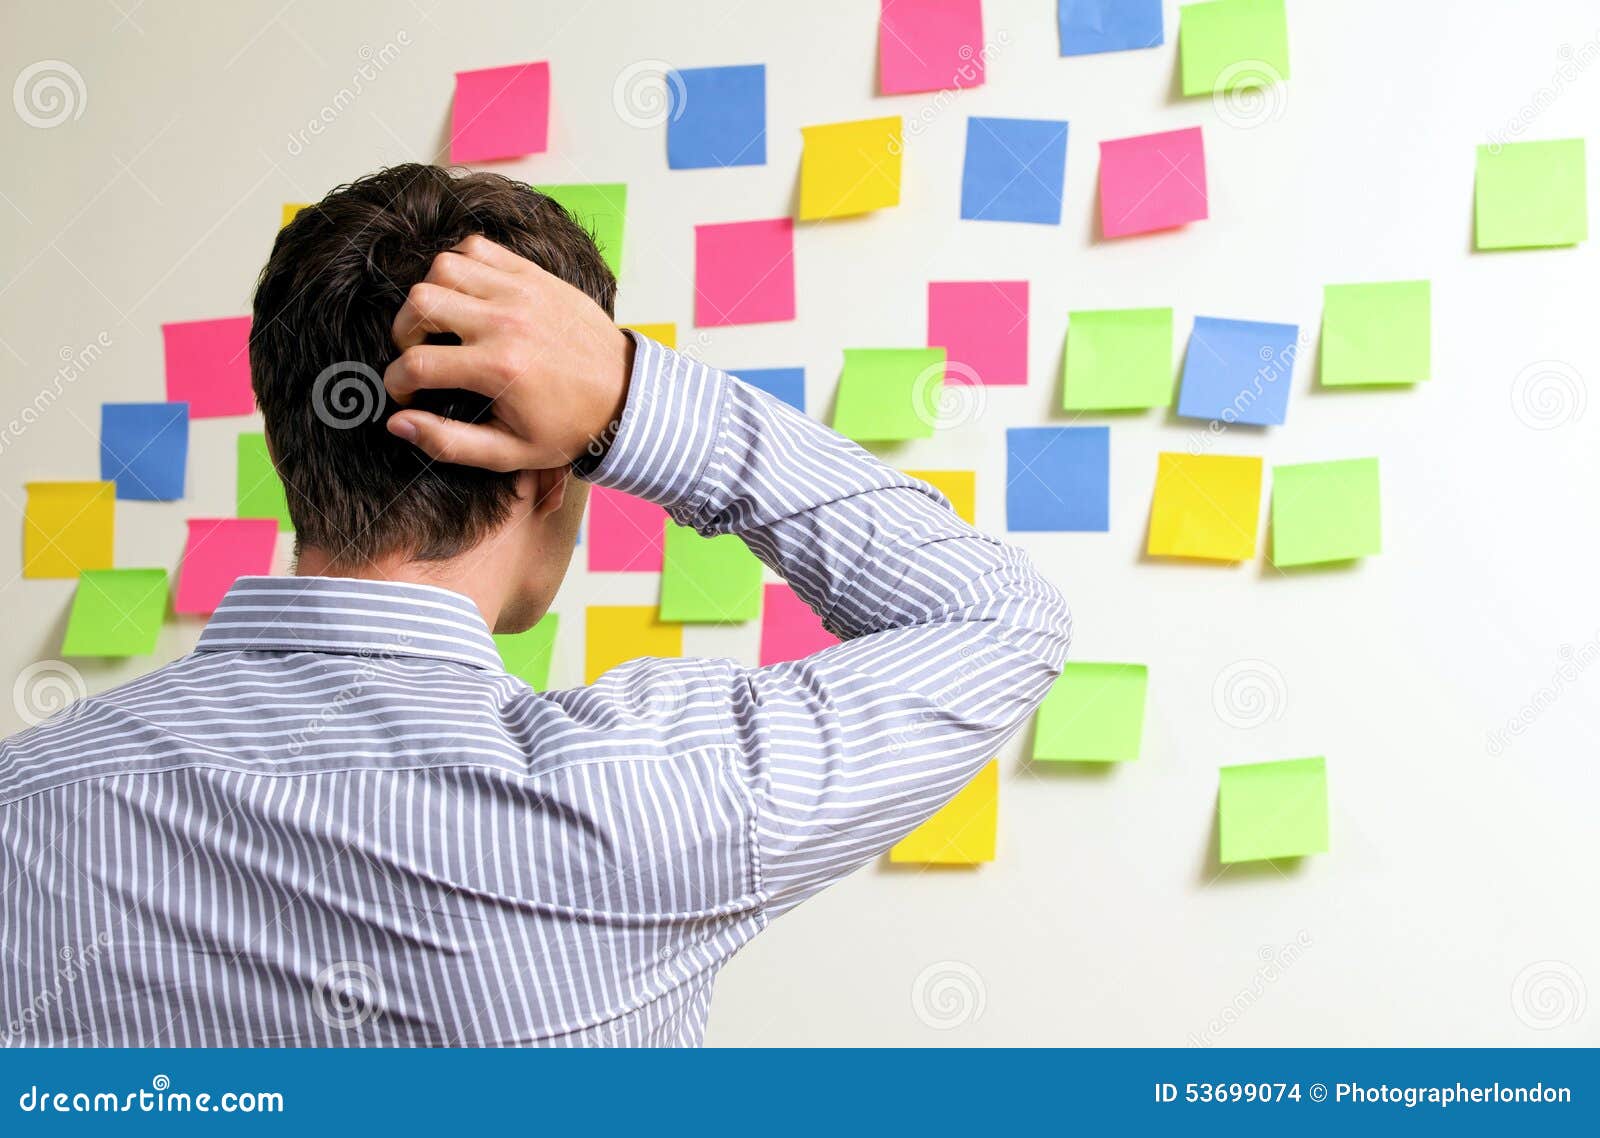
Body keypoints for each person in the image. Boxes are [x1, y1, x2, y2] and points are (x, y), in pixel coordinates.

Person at [0, 164, 1070, 1046]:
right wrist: (628, 397)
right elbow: (994, 620)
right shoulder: (646, 797)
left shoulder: (23, 808)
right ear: (554, 468)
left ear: (288, 442)